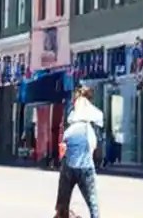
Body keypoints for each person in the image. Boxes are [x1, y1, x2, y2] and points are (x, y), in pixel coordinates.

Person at [55, 86, 103, 218]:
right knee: (92, 200)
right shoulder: (90, 113)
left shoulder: (74, 111)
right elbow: (93, 146)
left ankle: (61, 212)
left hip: (70, 164)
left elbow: (64, 146)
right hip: (86, 165)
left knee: (64, 195)